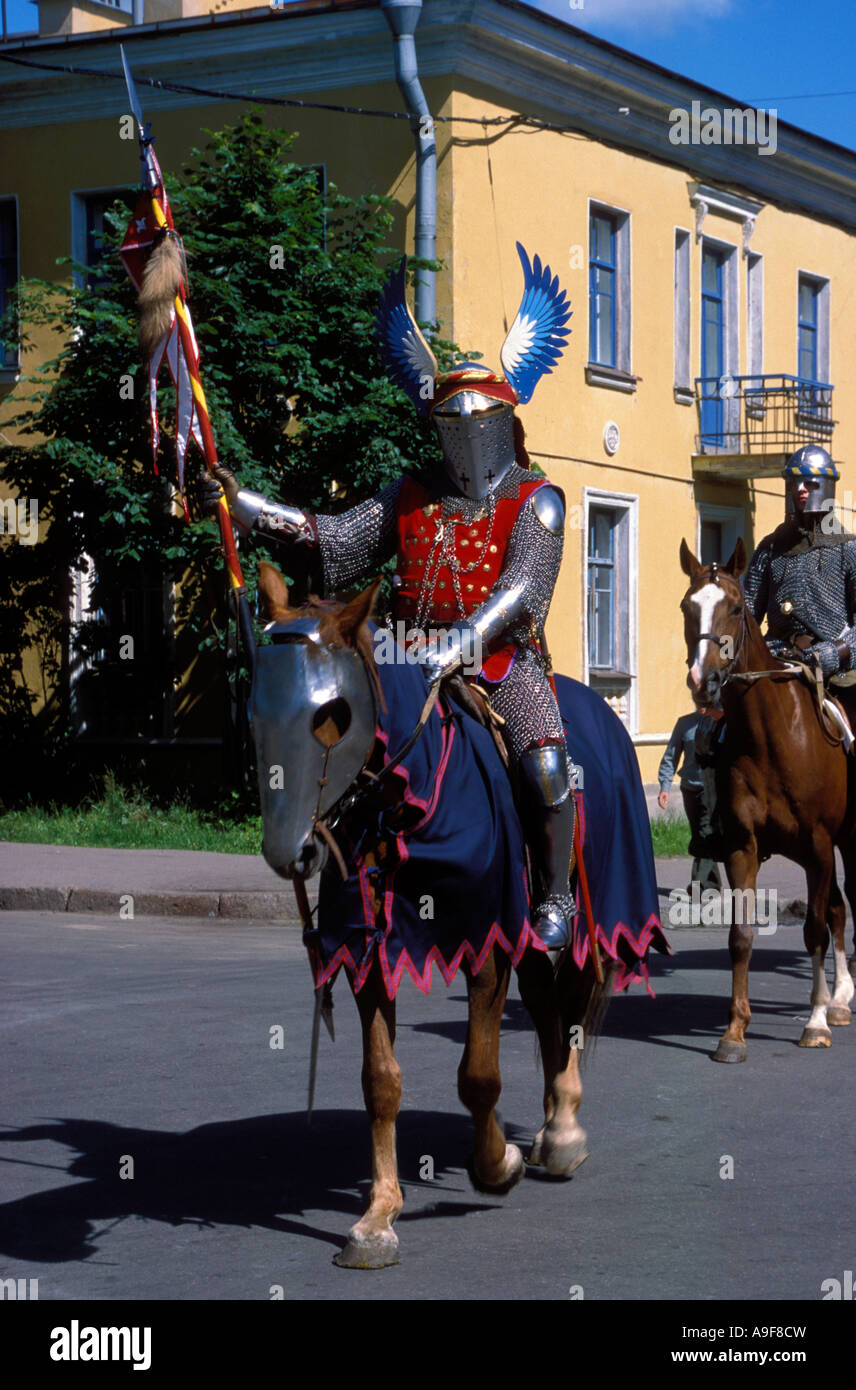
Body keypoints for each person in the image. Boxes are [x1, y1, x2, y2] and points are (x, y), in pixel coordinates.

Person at [203, 245, 577, 948]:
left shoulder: (538, 500)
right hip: (402, 650)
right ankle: (344, 896)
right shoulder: (411, 495)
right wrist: (246, 505)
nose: (465, 442)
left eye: (477, 426)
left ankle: (556, 896)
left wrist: (457, 646)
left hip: (499, 661)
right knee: (339, 738)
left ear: (501, 423)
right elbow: (335, 539)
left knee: (548, 761)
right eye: (452, 428)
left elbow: (523, 594)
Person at [743, 445, 856, 691]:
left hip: (836, 671)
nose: (800, 489)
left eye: (809, 483)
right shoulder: (770, 548)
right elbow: (745, 618)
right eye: (794, 483)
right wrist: (726, 655)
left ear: (825, 486)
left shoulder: (849, 549)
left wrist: (833, 653)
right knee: (715, 722)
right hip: (775, 660)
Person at [658, 707, 722, 892]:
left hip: (711, 789)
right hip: (689, 789)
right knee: (699, 835)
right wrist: (665, 786)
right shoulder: (684, 723)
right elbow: (671, 755)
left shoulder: (720, 721)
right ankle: (713, 884)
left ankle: (698, 887)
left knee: (704, 834)